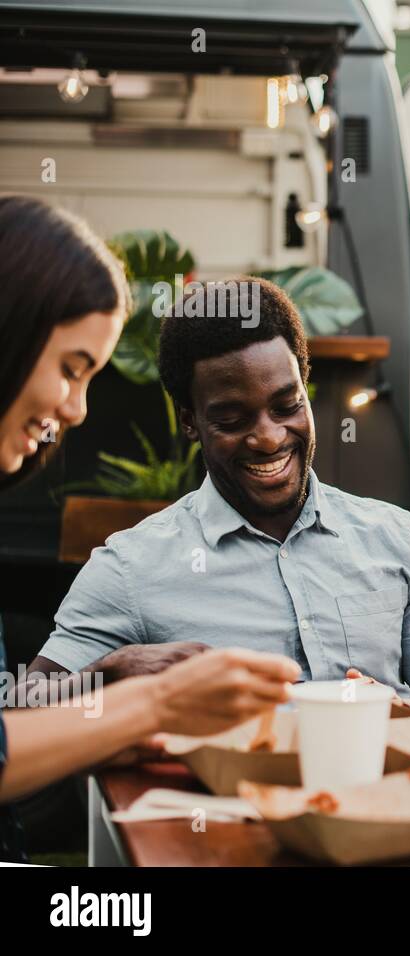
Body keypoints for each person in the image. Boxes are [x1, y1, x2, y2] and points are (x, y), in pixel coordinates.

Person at [0, 195, 300, 863]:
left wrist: (109, 679)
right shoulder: (131, 562)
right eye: (73, 369)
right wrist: (158, 702)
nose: (77, 409)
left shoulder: (394, 539)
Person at [28, 278, 410, 697]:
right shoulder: (130, 569)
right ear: (190, 422)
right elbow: (22, 711)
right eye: (233, 420)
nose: (269, 438)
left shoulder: (400, 542)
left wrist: (391, 713)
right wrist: (109, 675)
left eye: (287, 406)